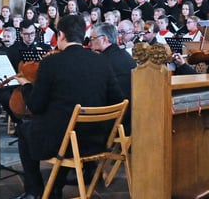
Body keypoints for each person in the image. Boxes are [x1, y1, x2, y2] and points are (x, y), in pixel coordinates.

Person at [13, 14, 124, 199]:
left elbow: (36, 106)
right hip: (97, 140)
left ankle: (35, 190)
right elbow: (119, 100)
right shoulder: (101, 61)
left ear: (61, 35)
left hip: (66, 142)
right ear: (83, 36)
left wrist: (26, 86)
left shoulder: (51, 63)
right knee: (62, 124)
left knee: (25, 130)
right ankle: (55, 186)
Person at [89, 22, 136, 131]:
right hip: (131, 118)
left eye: (92, 38)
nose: (90, 43)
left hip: (113, 121)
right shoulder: (126, 56)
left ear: (104, 39)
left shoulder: (101, 62)